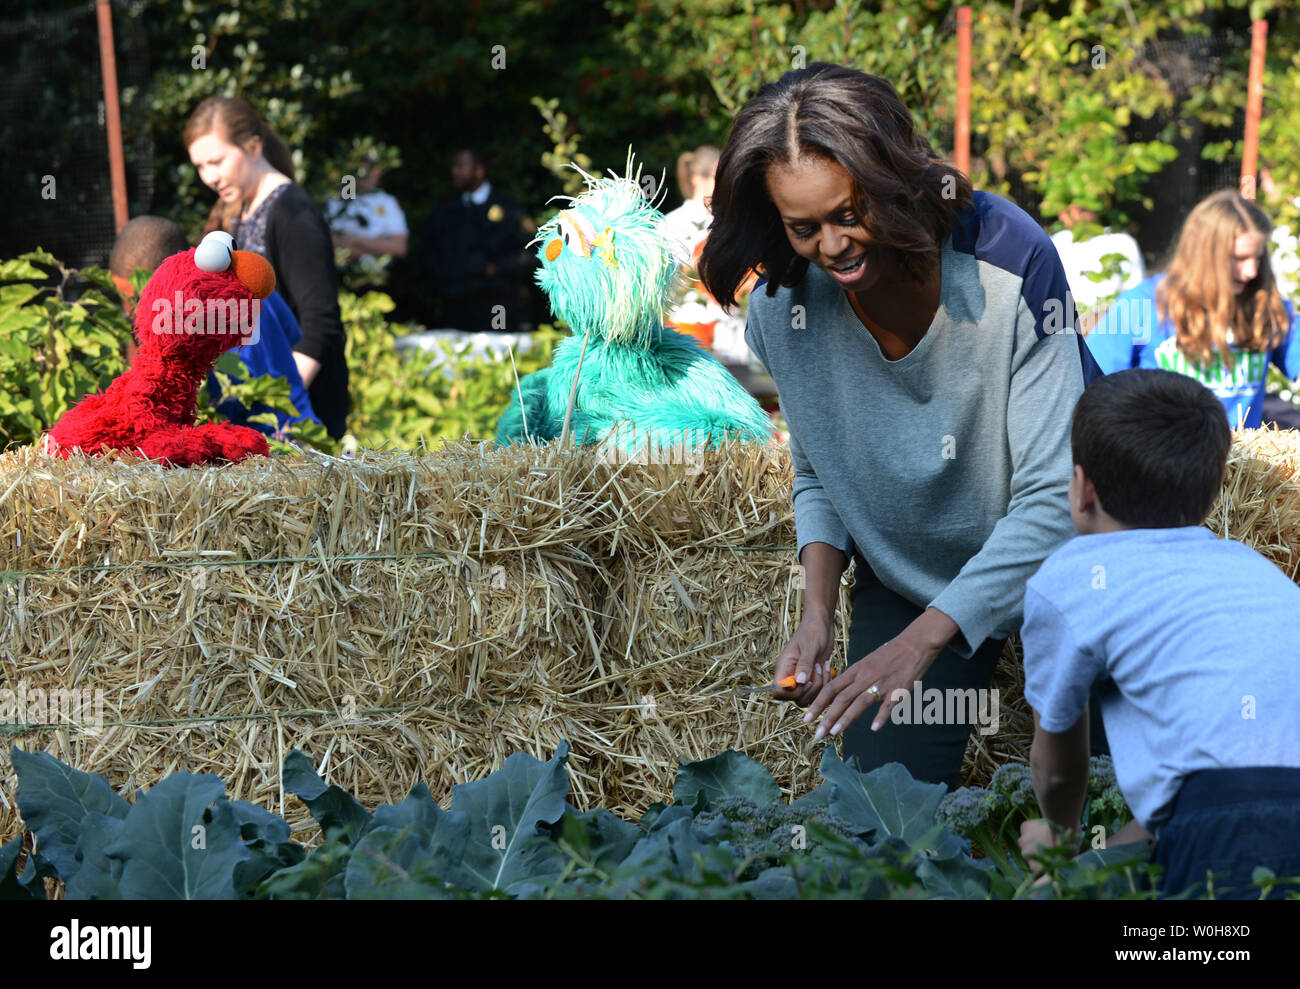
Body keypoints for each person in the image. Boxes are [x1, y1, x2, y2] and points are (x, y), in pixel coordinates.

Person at [698, 63, 1103, 788]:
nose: (832, 246)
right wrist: (818, 613)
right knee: (880, 820)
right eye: (803, 227)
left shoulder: (1011, 260)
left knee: (1115, 790)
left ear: (891, 178)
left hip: (1077, 558)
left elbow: (1053, 503)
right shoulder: (781, 309)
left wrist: (919, 646)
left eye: (850, 212)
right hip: (914, 574)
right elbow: (820, 466)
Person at [1018, 369, 1300, 899]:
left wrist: (1060, 838)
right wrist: (1095, 864)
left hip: (1225, 825)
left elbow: (1058, 770)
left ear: (1081, 489)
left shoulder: (1070, 579)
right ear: (1216, 490)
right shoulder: (1255, 569)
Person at [184, 96, 350, 439]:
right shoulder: (242, 210)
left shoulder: (292, 213)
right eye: (200, 166)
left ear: (254, 146)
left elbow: (321, 323)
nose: (209, 177)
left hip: (301, 421)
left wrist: (280, 409)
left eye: (216, 161)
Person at [1085, 189, 1300, 429]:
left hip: (1240, 461)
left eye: (1258, 258)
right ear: (1204, 254)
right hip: (1158, 459)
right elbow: (1092, 391)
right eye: (1239, 258)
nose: (1251, 271)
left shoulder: (1265, 307)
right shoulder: (1141, 304)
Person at [106, 214, 318, 434]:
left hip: (262, 444)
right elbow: (293, 336)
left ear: (167, 280)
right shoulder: (253, 284)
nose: (131, 311)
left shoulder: (189, 327)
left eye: (137, 300)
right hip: (302, 430)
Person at [418, 148, 536, 332]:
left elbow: (531, 252)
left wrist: (496, 268)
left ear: (479, 170)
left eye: (461, 166)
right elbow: (429, 253)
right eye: (453, 166)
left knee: (497, 354)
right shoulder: (446, 211)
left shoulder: (508, 209)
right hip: (454, 305)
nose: (454, 172)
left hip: (497, 304)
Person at [1048, 204, 1145, 316]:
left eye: (1082, 208)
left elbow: (1137, 295)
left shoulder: (1122, 242)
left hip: (1112, 324)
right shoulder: (1057, 242)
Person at [326, 155, 409, 269]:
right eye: (368, 170)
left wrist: (357, 240)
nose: (375, 175)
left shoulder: (388, 202)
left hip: (376, 277)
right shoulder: (334, 199)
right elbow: (327, 243)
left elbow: (399, 247)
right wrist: (377, 247)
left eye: (377, 171)